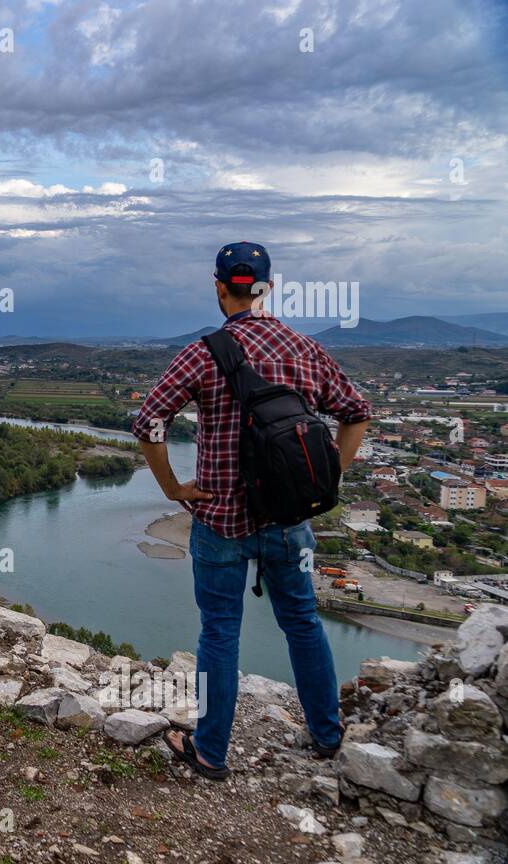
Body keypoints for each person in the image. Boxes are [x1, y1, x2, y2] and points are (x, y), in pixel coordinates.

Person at [131, 242, 371, 779]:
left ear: (219, 287)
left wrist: (172, 488)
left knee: (219, 631)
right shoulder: (305, 349)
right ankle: (327, 736)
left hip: (219, 520)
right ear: (269, 286)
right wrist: (332, 473)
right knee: (304, 624)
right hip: (288, 521)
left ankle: (212, 752)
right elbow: (356, 413)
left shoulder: (203, 352)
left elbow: (148, 422)